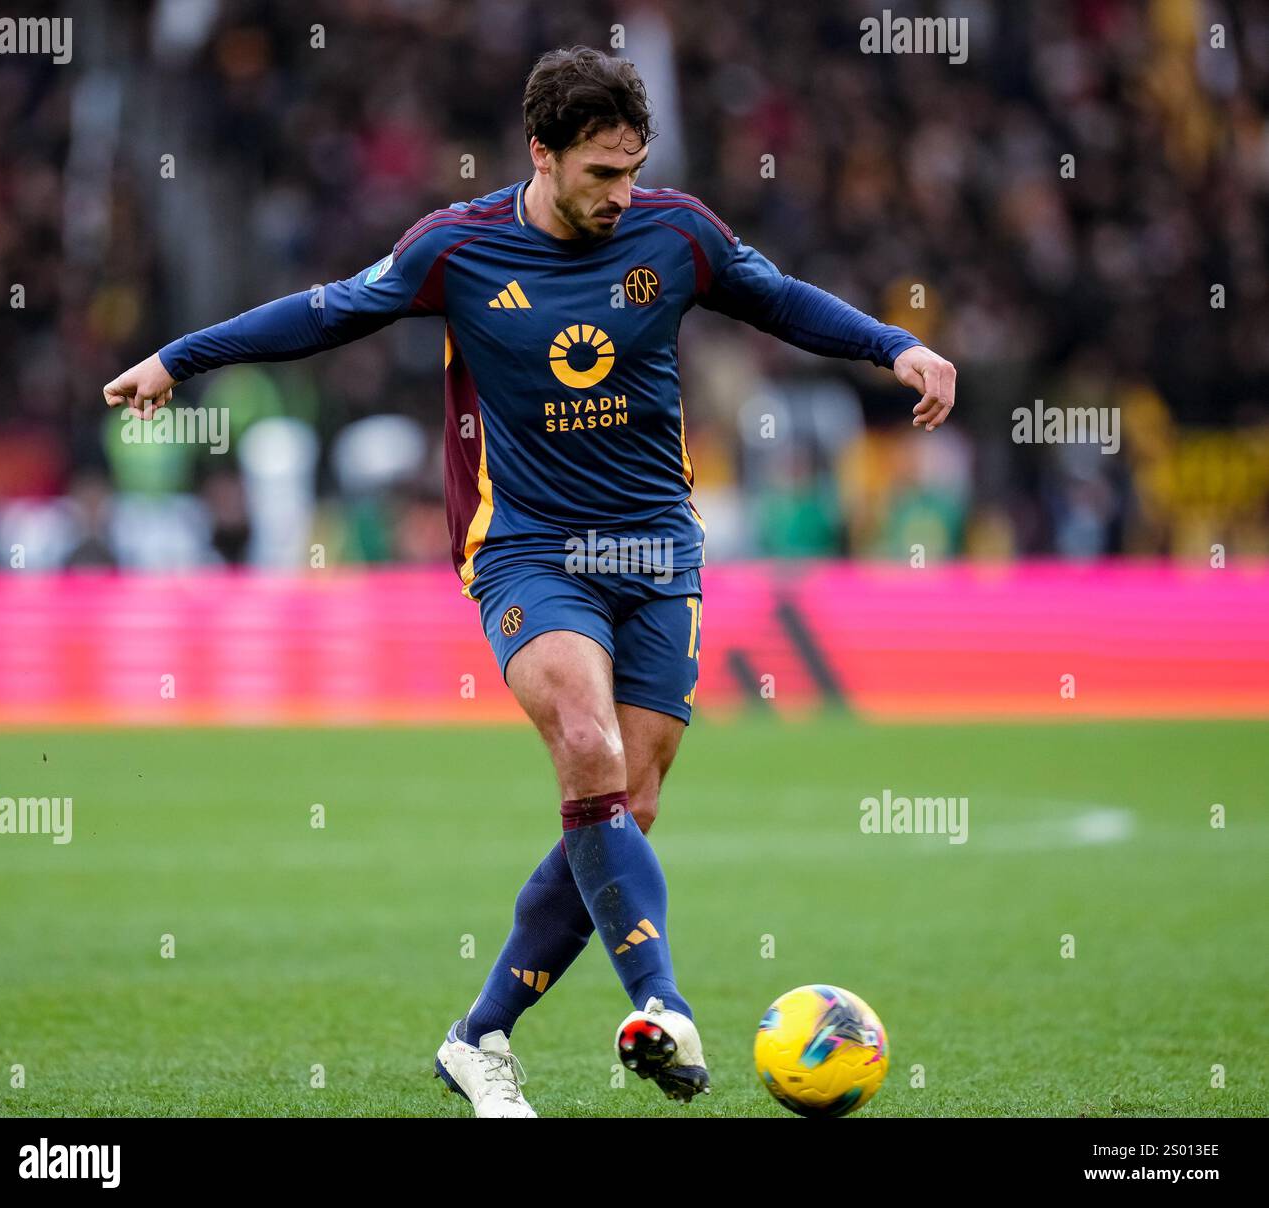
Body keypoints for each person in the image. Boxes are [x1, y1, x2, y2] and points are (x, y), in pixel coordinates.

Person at [103, 45, 956, 1118]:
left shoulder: (675, 230)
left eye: (632, 170)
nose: (620, 194)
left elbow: (777, 300)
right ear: (539, 154)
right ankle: (662, 1002)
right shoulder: (454, 250)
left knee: (622, 809)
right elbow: (324, 312)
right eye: (600, 172)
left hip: (657, 549)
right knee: (589, 753)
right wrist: (182, 358)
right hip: (528, 548)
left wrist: (896, 347)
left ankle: (480, 1035)